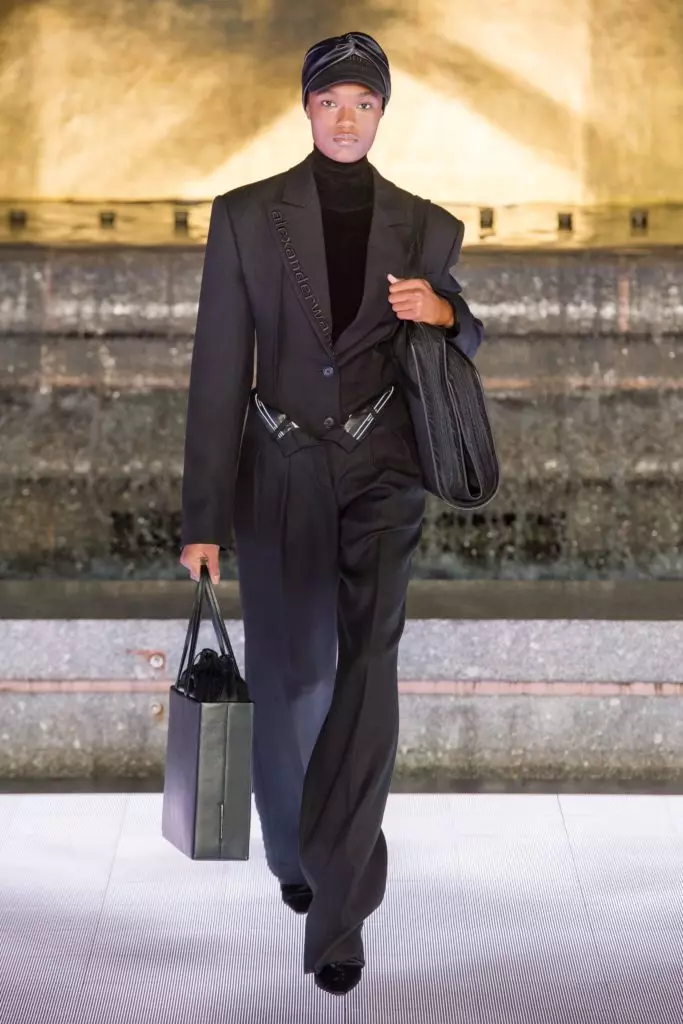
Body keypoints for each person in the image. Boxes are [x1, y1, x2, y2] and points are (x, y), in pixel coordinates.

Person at [179, 30, 483, 996]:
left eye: (363, 104)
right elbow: (218, 371)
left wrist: (441, 314)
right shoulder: (242, 217)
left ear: (383, 114)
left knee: (365, 674)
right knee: (292, 675)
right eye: (330, 103)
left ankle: (340, 915)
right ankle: (296, 856)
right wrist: (202, 518)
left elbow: (461, 323)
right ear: (305, 110)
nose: (346, 120)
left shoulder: (427, 226)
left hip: (381, 475)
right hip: (276, 471)